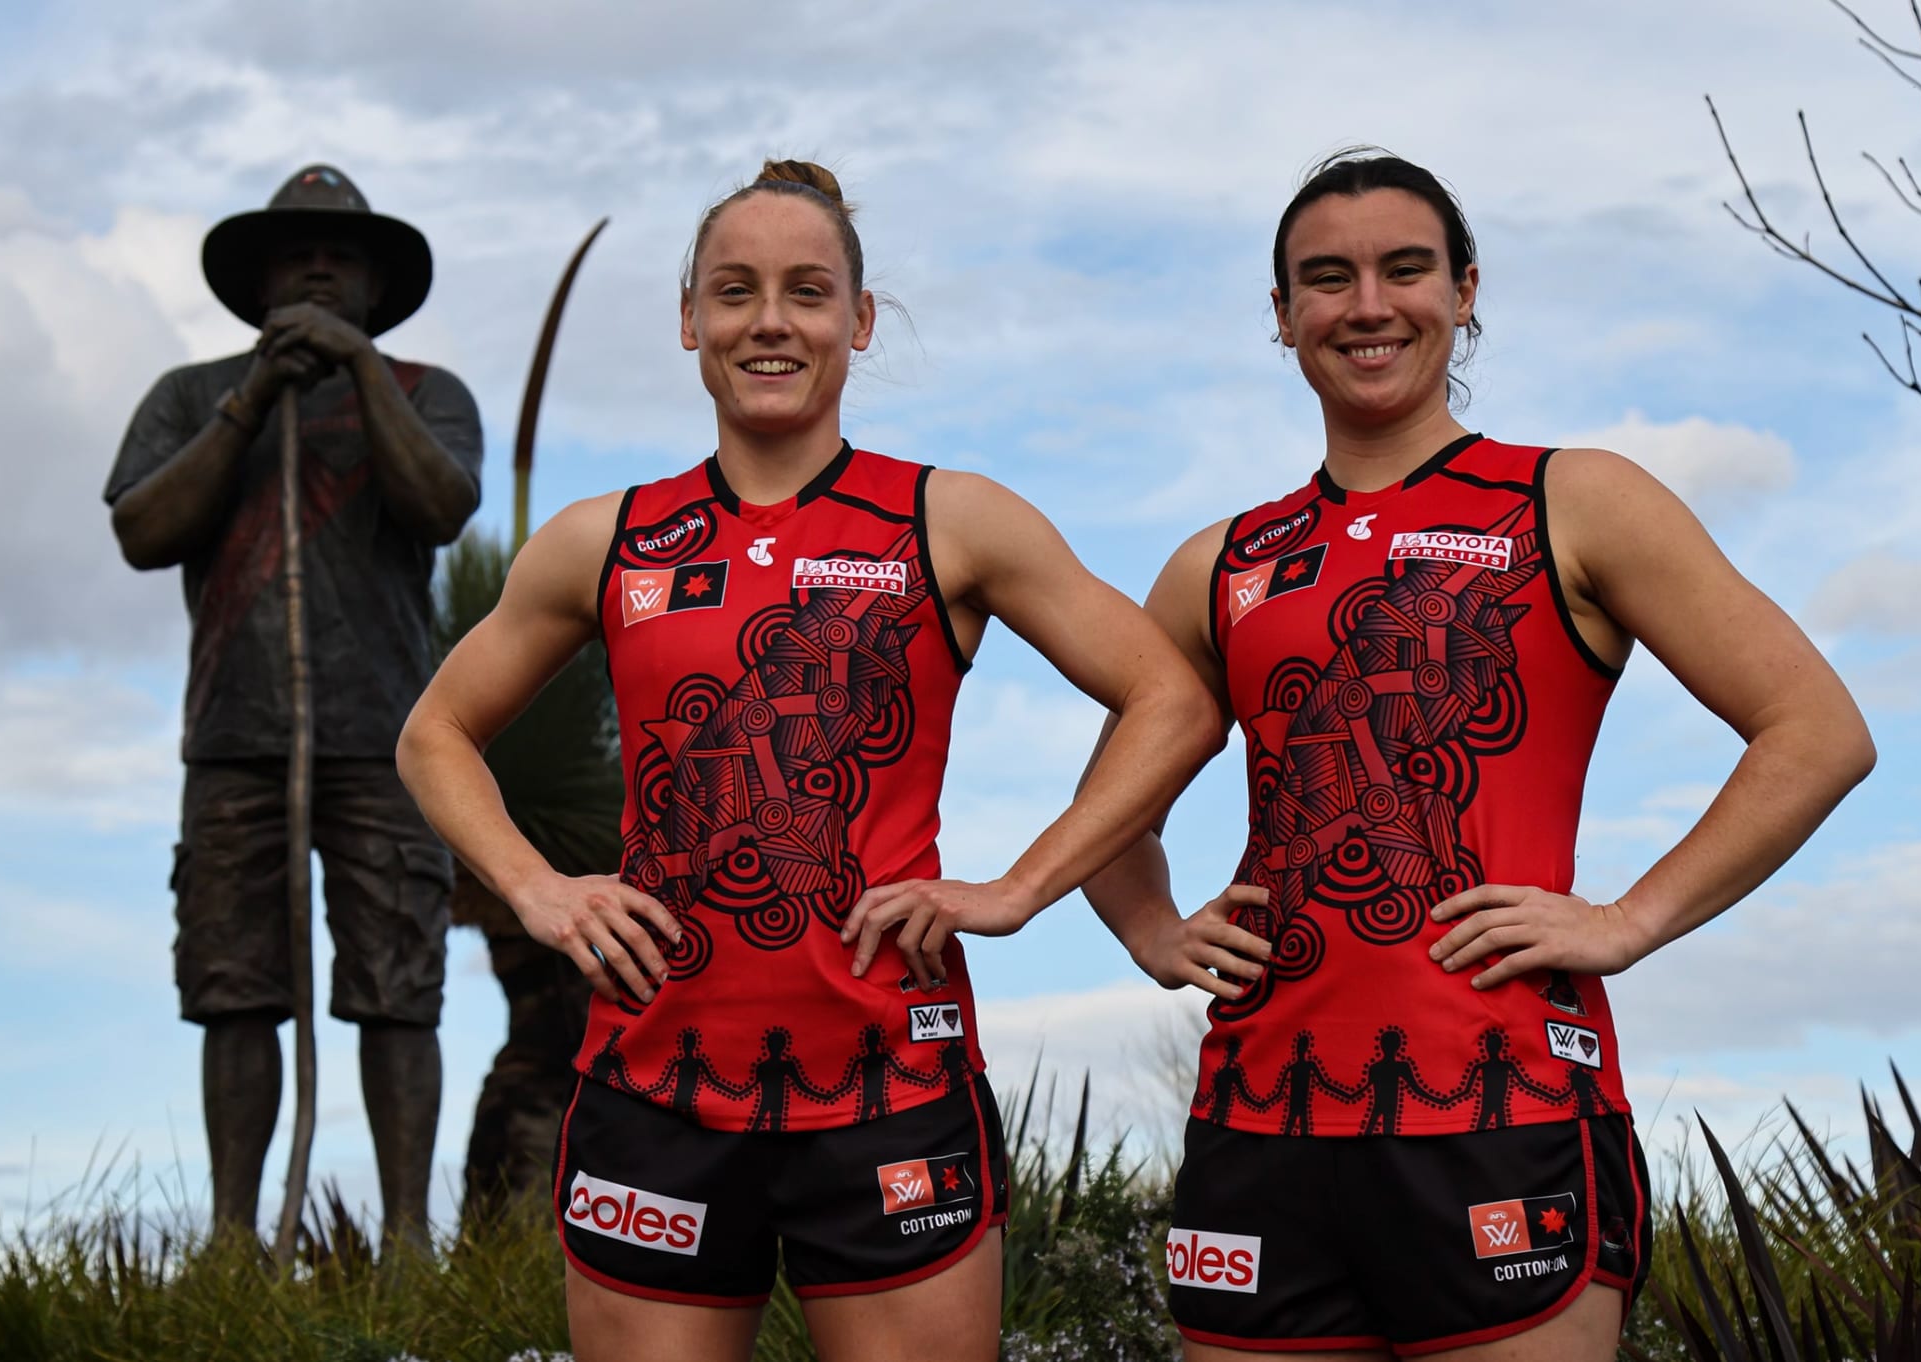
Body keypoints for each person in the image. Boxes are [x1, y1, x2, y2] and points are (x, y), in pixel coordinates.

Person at [395, 159, 1221, 1362]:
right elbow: (433, 733)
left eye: (806, 292)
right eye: (734, 292)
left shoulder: (950, 520)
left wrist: (1015, 890)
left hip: (890, 1085)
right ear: (690, 320)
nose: (769, 322)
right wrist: (536, 889)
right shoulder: (604, 540)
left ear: (859, 320)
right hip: (651, 1085)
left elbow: (1171, 699)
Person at [1081, 150, 1875, 1360]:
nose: (1366, 306)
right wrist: (1149, 929)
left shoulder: (1576, 501)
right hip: (1258, 1118)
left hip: (1503, 1109)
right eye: (1326, 279)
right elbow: (1106, 814)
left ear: (1462, 290)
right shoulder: (1219, 563)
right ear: (1282, 314)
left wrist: (1627, 919)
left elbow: (1816, 731)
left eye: (1403, 269)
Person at [106, 164, 483, 1249]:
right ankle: (234, 1240)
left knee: (398, 984)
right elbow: (143, 530)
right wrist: (253, 397)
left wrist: (358, 370)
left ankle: (405, 1240)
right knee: (234, 989)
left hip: (387, 738)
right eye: (297, 255)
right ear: (260, 281)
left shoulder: (425, 392)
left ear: (375, 284)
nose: (319, 269)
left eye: (342, 256)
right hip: (236, 734)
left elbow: (440, 505)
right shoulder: (191, 395)